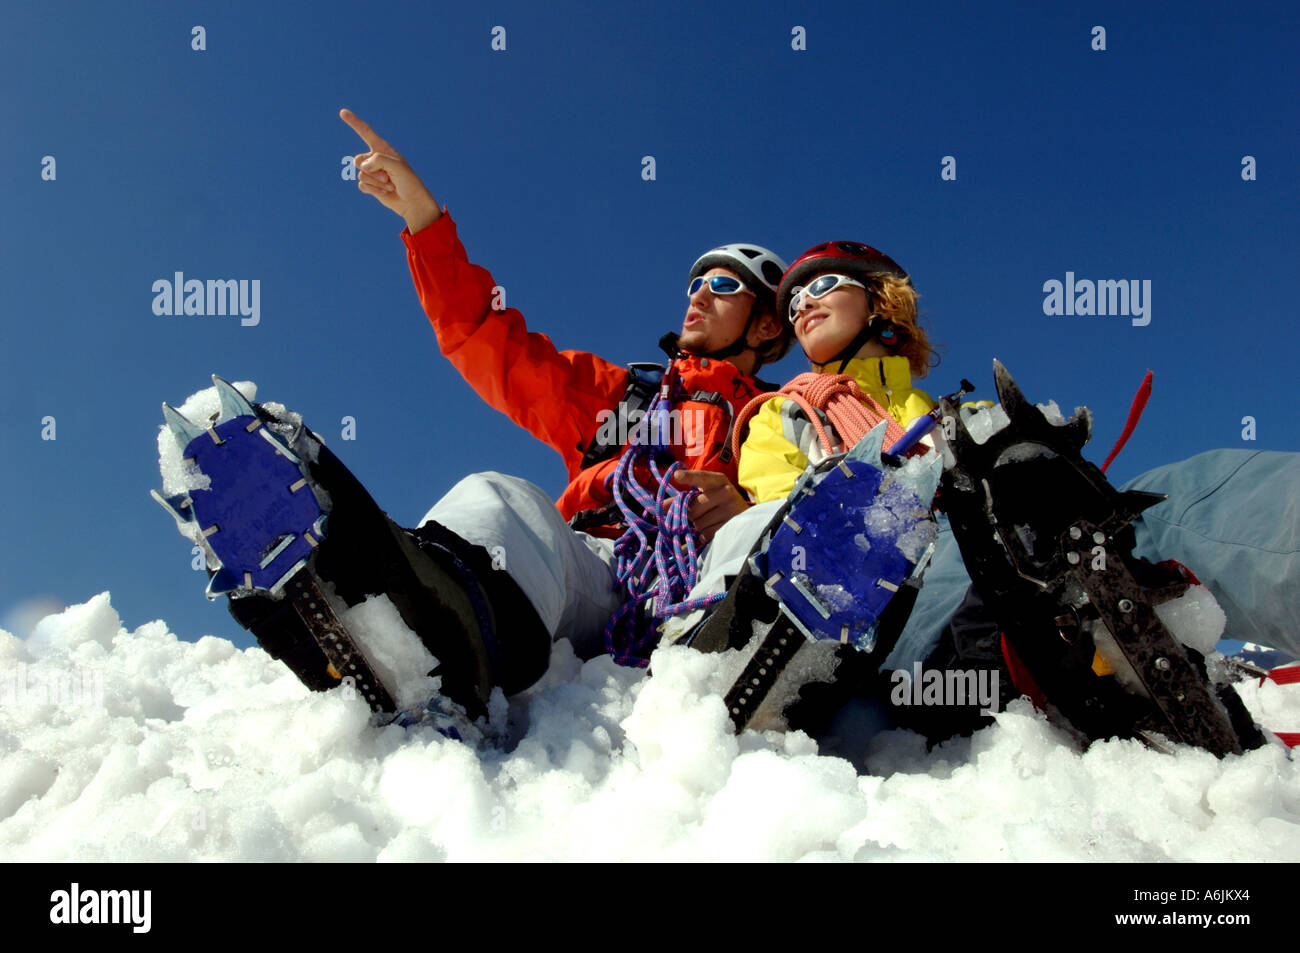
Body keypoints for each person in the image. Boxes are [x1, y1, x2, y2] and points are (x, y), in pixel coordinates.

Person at [156, 109, 799, 722]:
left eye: (722, 287)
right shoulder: (625, 399)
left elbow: (810, 488)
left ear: (767, 323)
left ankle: (740, 685)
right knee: (498, 500)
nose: (697, 297)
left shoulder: (776, 418)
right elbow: (487, 338)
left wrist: (743, 509)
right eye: (694, 284)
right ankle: (428, 648)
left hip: (704, 585)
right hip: (599, 572)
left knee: (770, 530)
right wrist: (422, 219)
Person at [713, 239, 1297, 751]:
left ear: (880, 299)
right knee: (901, 535)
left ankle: (1118, 636)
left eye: (820, 285)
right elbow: (772, 518)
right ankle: (1043, 652)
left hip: (1021, 553)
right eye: (792, 304)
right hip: (910, 598)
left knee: (1180, 496)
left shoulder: (962, 416)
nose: (802, 305)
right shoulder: (783, 416)